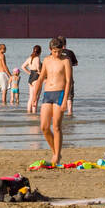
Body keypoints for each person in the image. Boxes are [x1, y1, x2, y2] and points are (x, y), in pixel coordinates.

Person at [37, 37, 73, 165]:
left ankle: (57, 156)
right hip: (47, 94)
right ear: (50, 50)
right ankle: (55, 152)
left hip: (60, 93)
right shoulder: (46, 60)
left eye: (59, 51)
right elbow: (41, 78)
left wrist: (64, 101)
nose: (57, 54)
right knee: (44, 127)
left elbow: (69, 81)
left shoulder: (66, 61)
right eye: (54, 51)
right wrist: (35, 97)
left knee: (56, 127)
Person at [59, 39, 79, 117]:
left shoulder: (54, 53)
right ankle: (70, 114)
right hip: (69, 78)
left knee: (59, 97)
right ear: (65, 43)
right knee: (69, 97)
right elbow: (76, 63)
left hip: (58, 79)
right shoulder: (70, 52)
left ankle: (59, 115)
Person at [20, 45, 43, 114]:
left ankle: (28, 112)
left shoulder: (30, 58)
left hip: (31, 77)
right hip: (36, 77)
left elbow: (23, 67)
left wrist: (29, 72)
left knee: (31, 97)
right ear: (40, 51)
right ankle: (34, 113)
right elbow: (38, 69)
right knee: (36, 97)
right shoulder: (37, 58)